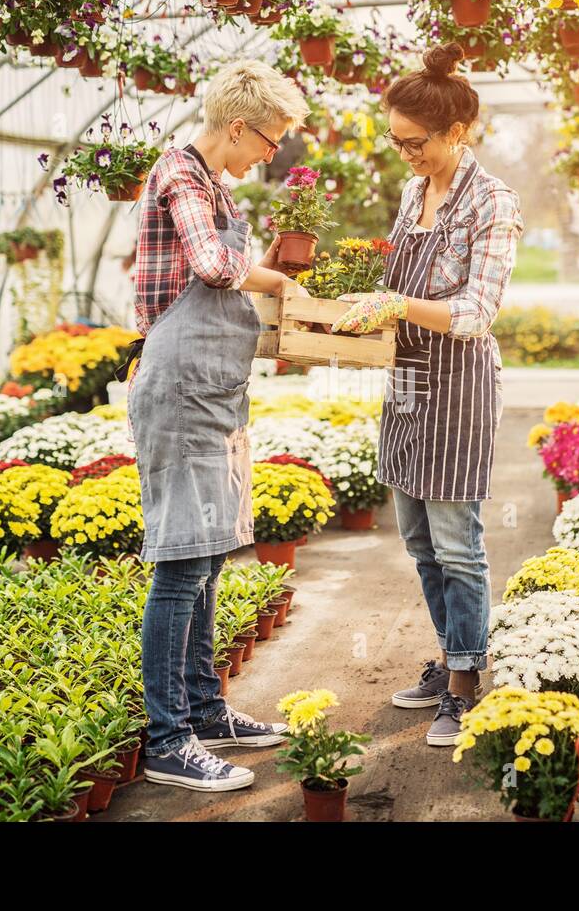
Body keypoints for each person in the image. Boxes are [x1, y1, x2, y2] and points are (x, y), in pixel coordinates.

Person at [333, 43, 523, 746]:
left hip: (459, 382)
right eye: (396, 143)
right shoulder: (415, 193)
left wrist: (394, 304)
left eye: (416, 144)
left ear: (457, 134)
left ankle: (469, 681)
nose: (406, 156)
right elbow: (398, 287)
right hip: (408, 377)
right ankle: (450, 658)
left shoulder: (493, 202)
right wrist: (364, 306)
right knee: (418, 538)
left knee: (457, 541)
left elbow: (477, 313)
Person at [131, 59, 309, 791]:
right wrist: (277, 278)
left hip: (213, 391)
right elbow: (210, 265)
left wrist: (263, 265)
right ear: (238, 125)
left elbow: (221, 262)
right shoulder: (179, 172)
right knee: (179, 564)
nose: (272, 154)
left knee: (205, 557)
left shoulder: (215, 185)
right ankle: (168, 738)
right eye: (269, 141)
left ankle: (206, 710)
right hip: (179, 388)